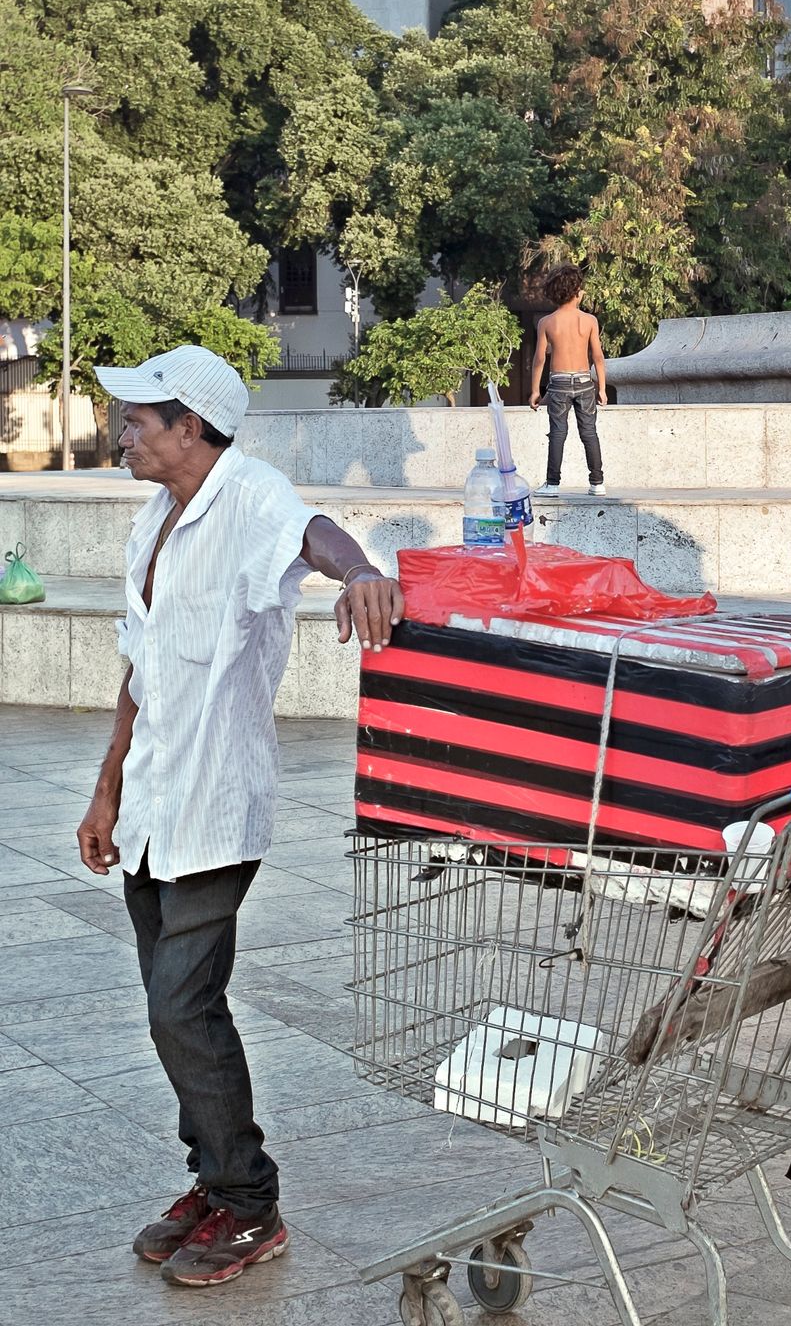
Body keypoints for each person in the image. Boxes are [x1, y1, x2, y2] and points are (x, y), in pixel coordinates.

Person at [73, 344, 404, 1288]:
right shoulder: (152, 523)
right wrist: (106, 790)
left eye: (140, 418)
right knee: (169, 1009)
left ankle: (250, 1204)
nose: (123, 430)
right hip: (149, 801)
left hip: (216, 804)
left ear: (191, 426)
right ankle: (212, 1184)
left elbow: (314, 531)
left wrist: (361, 573)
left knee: (183, 1005)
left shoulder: (247, 493)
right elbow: (138, 669)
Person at [531, 265, 607, 497]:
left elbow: (539, 359)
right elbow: (598, 357)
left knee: (558, 432)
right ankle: (597, 482)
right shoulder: (589, 321)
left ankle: (552, 484)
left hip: (559, 383)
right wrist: (602, 388)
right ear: (577, 292)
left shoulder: (547, 322)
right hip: (585, 381)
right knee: (589, 432)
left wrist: (535, 390)